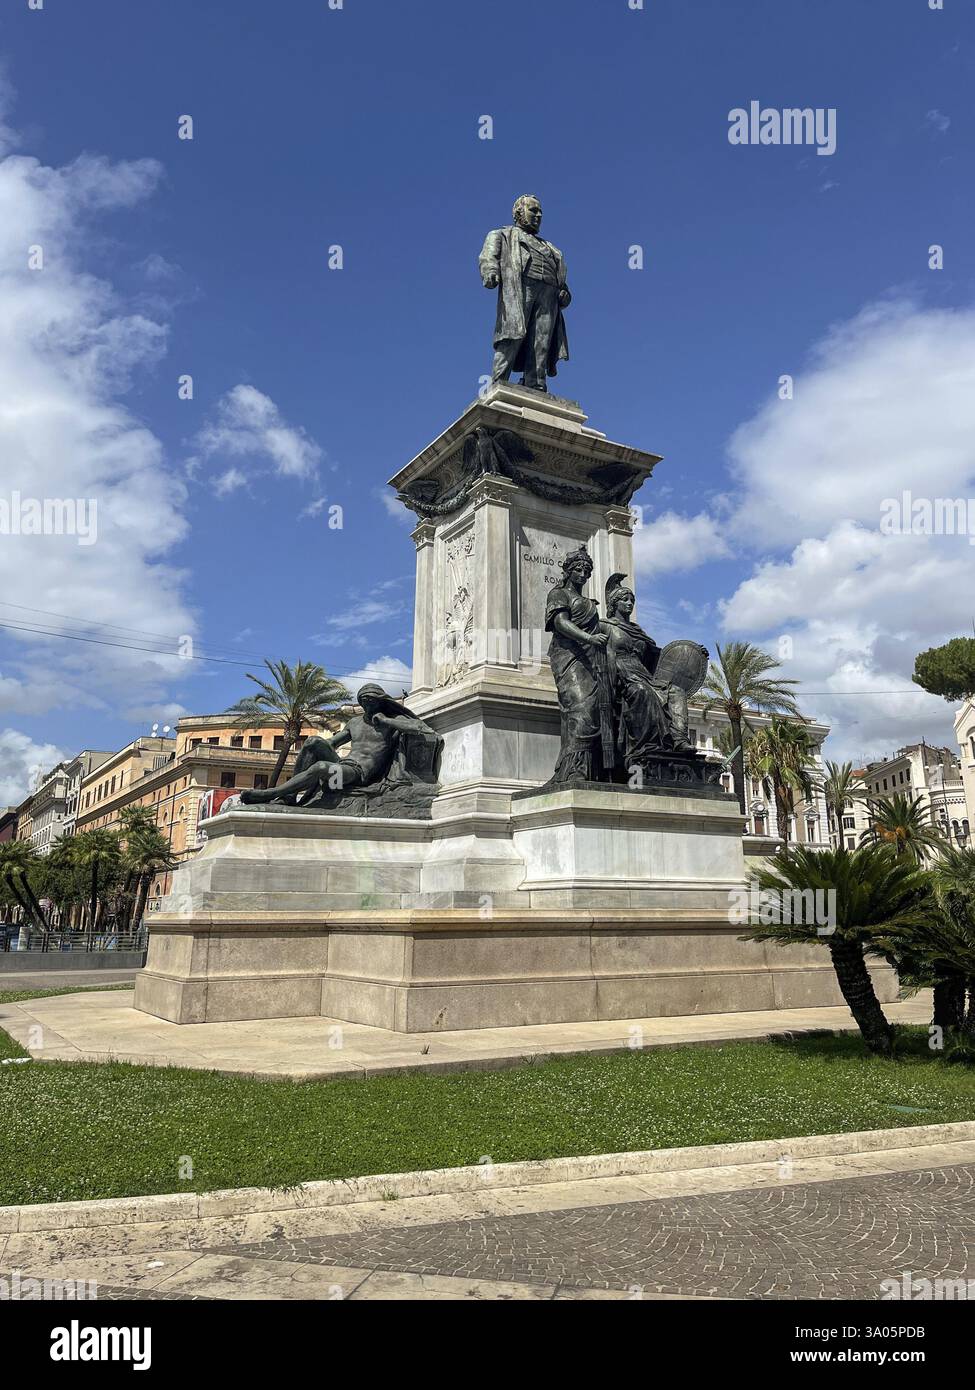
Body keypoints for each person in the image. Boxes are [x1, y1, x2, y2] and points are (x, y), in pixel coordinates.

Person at [478, 194, 571, 392]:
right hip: (520, 288)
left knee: (541, 340)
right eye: (533, 210)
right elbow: (488, 257)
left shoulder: (551, 248)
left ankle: (535, 382)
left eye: (540, 212)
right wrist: (491, 271)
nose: (539, 215)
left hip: (548, 293)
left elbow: (563, 283)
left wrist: (564, 295)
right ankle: (498, 381)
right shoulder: (502, 235)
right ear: (519, 213)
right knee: (513, 334)